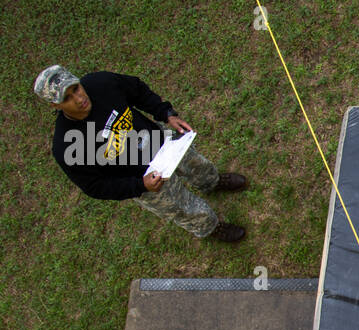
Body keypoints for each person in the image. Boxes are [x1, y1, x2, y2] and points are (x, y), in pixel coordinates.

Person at [34, 65, 248, 242]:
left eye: (76, 88)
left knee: (196, 163)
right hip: (144, 179)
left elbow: (136, 90)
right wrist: (139, 186)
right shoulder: (66, 145)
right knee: (181, 207)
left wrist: (165, 113)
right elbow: (94, 186)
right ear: (55, 105)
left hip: (162, 142)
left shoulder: (101, 83)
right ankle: (211, 227)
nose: (79, 98)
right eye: (68, 98)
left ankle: (212, 182)